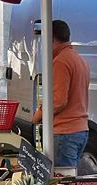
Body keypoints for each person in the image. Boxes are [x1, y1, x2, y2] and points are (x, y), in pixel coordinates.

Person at [32, 20, 90, 168]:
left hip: (65, 132)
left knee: (62, 183)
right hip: (80, 130)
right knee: (70, 179)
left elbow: (58, 100)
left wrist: (39, 114)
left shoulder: (60, 62)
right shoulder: (79, 59)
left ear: (51, 39)